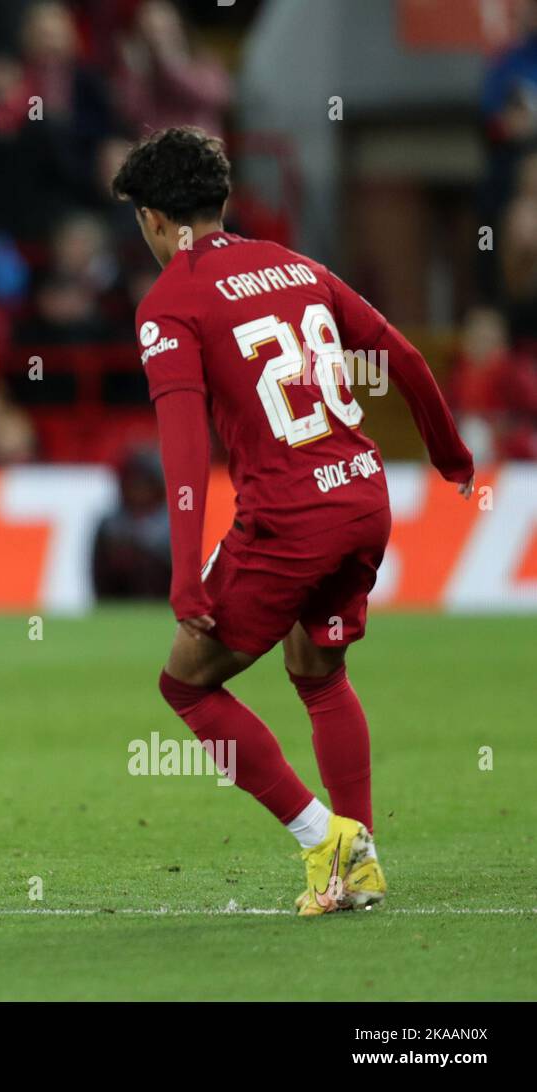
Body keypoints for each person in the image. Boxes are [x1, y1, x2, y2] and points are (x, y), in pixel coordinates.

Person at [111, 127, 474, 916]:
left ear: (154, 219)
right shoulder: (294, 264)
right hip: (363, 496)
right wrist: (450, 456)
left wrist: (182, 573)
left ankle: (323, 838)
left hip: (289, 519)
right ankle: (359, 866)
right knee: (319, 672)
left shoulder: (169, 302)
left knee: (188, 683)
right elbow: (405, 357)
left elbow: (181, 450)